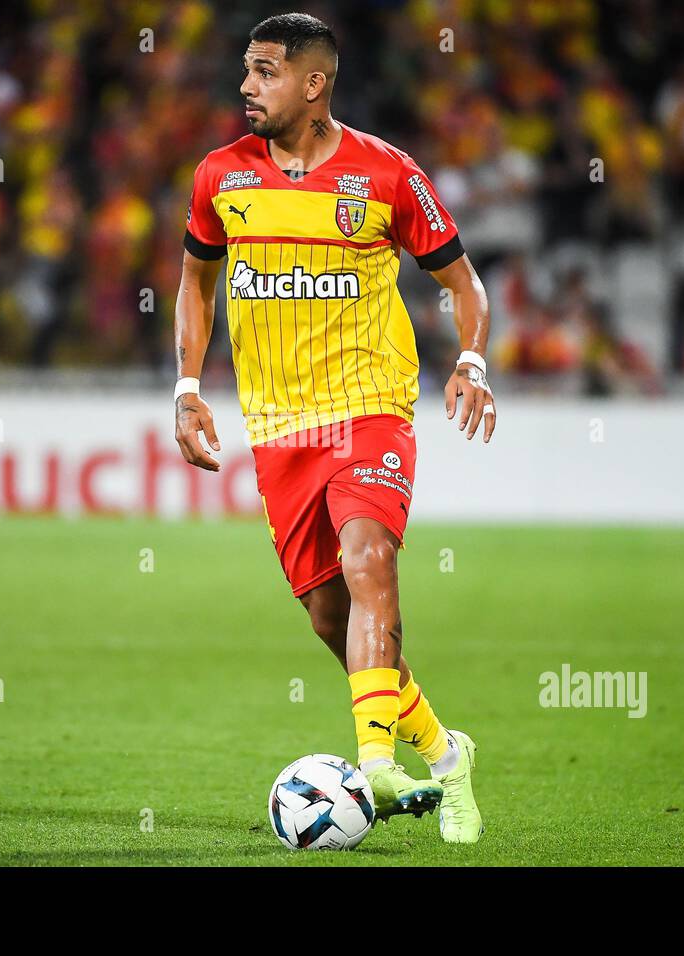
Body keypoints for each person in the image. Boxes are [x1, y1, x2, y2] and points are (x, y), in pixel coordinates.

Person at [171, 13, 492, 843]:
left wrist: (472, 360)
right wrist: (185, 384)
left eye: (266, 70)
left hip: (370, 409)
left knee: (367, 558)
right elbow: (195, 284)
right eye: (246, 68)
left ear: (315, 84)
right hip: (278, 427)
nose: (247, 85)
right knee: (327, 617)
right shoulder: (220, 178)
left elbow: (465, 285)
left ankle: (377, 767)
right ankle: (449, 756)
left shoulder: (384, 173)